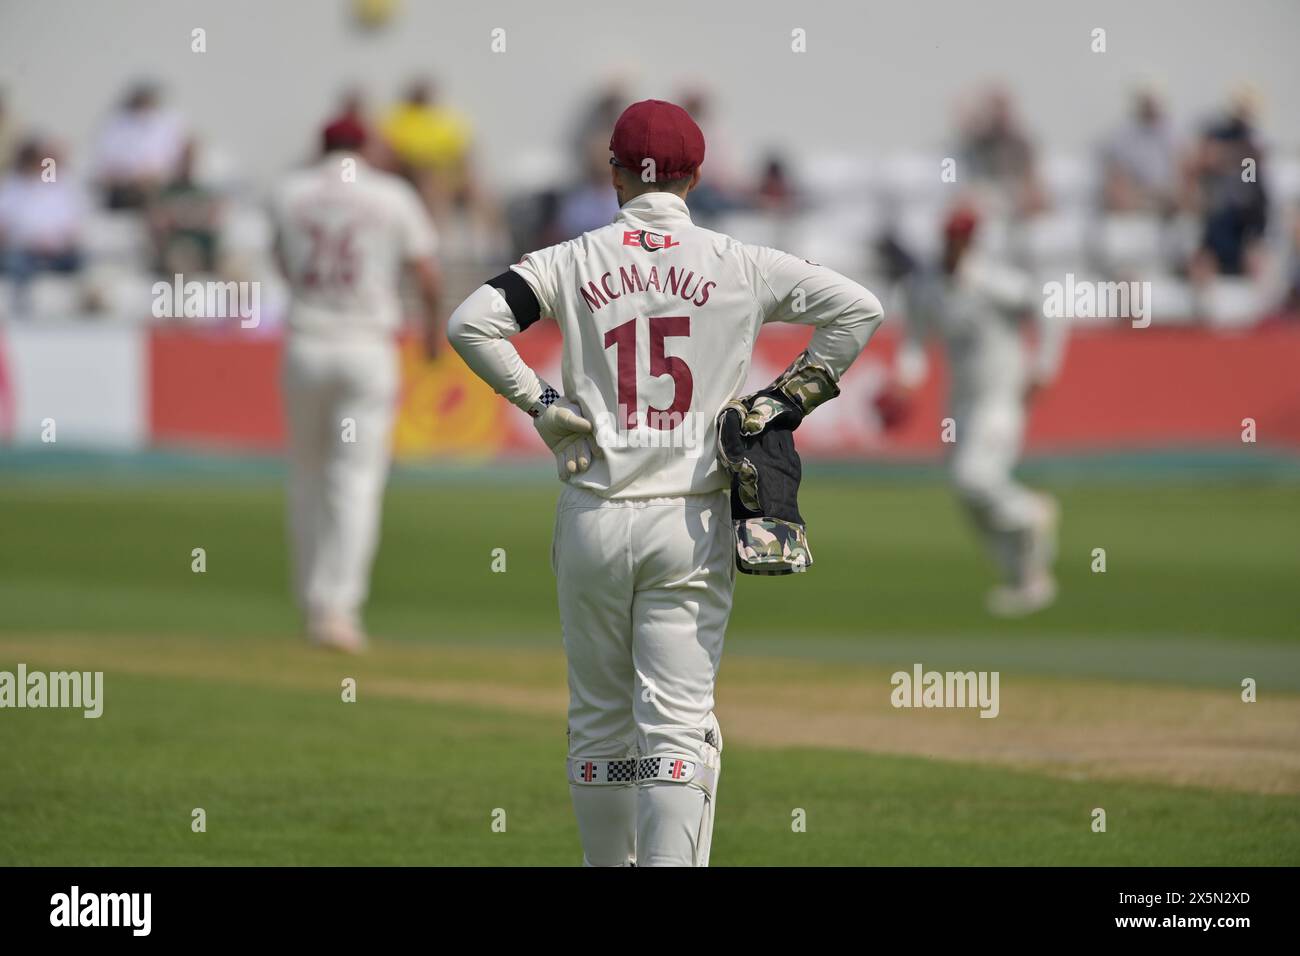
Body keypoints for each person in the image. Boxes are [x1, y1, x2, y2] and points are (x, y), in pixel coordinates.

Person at [447, 100, 884, 866]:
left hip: (592, 511)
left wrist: (544, 407)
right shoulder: (740, 260)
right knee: (678, 725)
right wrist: (787, 398)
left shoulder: (569, 257)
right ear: (698, 175)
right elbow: (860, 308)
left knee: (599, 721)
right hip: (691, 520)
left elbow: (470, 323)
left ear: (612, 173)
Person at [270, 116, 444, 652]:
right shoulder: (391, 195)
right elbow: (427, 274)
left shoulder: (288, 192)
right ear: (363, 147)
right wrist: (433, 334)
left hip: (306, 341)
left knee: (306, 476)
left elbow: (281, 259)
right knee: (355, 482)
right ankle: (338, 610)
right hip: (366, 347)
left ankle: (310, 600)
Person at [892, 203, 1065, 616]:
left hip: (1001, 399)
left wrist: (1043, 365)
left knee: (975, 479)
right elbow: (915, 342)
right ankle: (1029, 580)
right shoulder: (926, 286)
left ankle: (1031, 510)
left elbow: (1048, 309)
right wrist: (905, 379)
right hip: (961, 405)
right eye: (952, 236)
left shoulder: (992, 281)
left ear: (973, 241)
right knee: (969, 499)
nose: (956, 244)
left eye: (964, 237)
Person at [0, 138, 87, 316]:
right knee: (15, 262)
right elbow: (4, 227)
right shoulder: (11, 186)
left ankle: (85, 306)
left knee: (82, 259)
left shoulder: (63, 185)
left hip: (59, 252)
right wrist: (29, 242)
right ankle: (22, 307)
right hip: (23, 252)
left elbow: (73, 225)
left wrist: (56, 242)